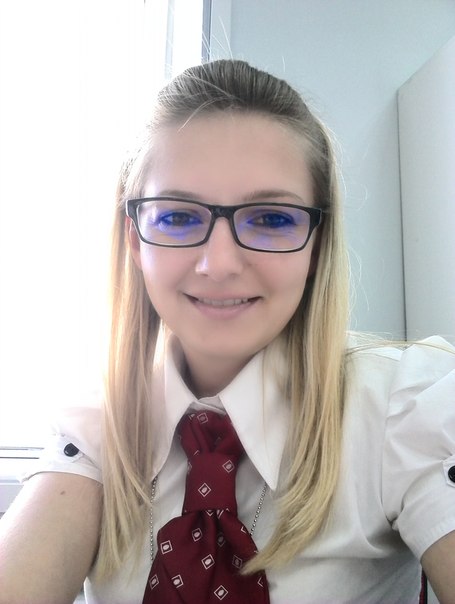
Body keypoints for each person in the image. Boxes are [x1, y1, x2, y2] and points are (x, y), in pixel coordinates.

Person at [0, 59, 454, 604]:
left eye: (271, 218)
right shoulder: (98, 422)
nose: (218, 265)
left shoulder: (411, 408)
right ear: (134, 240)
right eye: (176, 217)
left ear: (317, 245)